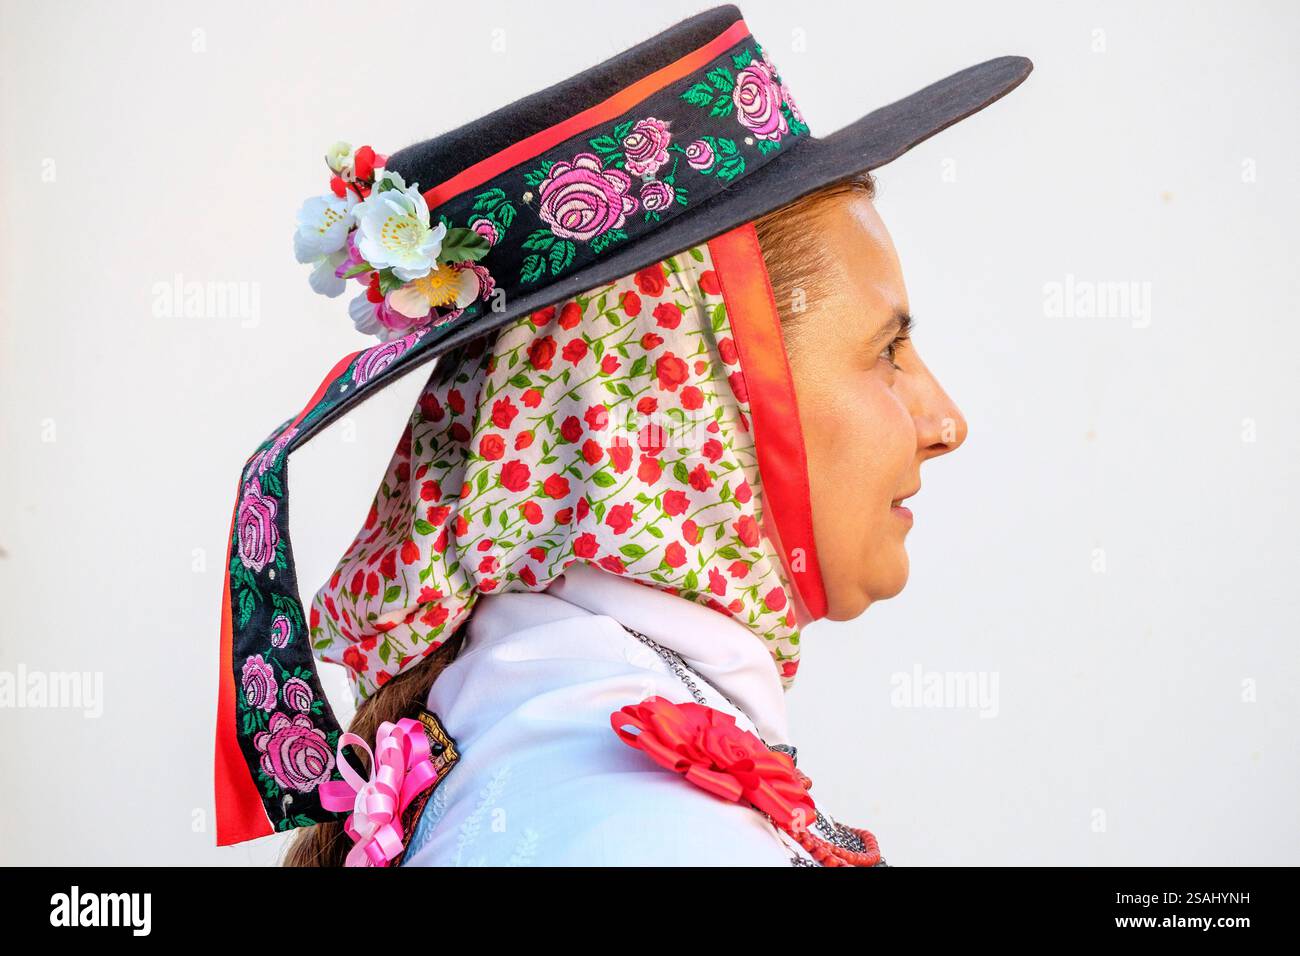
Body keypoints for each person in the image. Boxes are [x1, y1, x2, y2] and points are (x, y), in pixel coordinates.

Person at [214, 4, 1030, 866]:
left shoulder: (533, 723)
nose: (946, 422)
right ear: (681, 395)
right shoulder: (647, 827)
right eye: (888, 350)